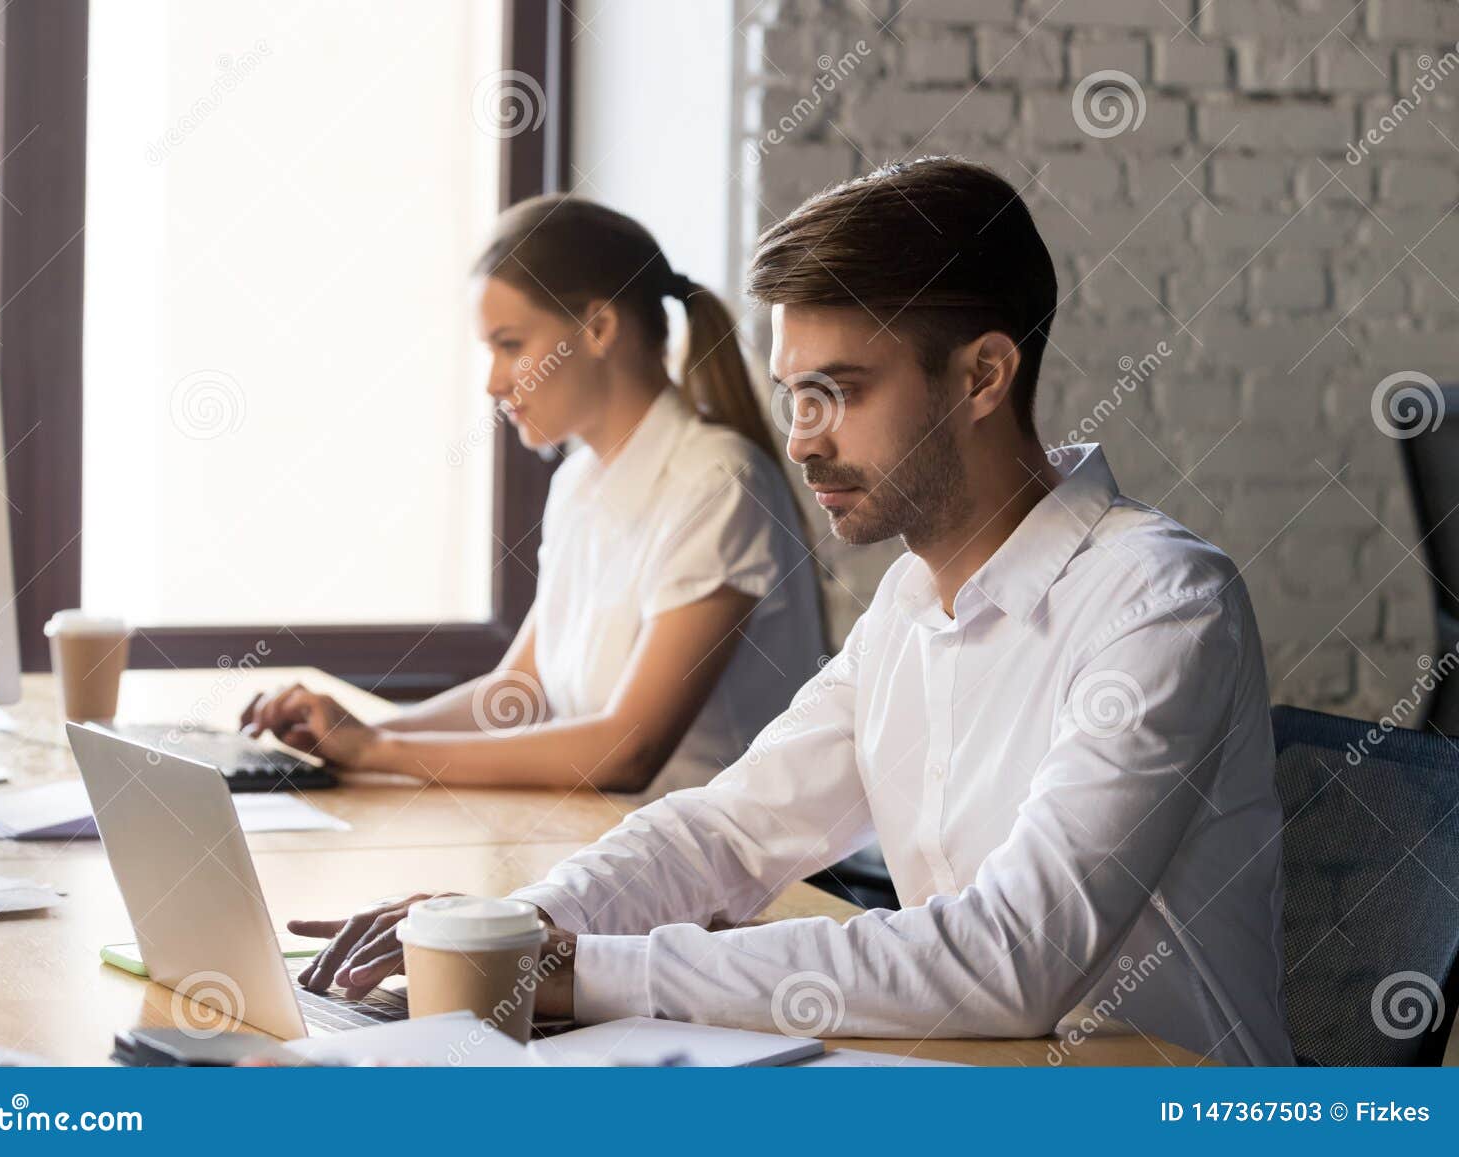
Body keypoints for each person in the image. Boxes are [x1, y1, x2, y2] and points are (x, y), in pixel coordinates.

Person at [288, 157, 1292, 1066]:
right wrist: (513, 927)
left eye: (838, 392)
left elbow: (1009, 958)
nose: (802, 440)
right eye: (792, 394)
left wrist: (581, 969)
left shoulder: (1160, 604)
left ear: (983, 374)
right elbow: (725, 831)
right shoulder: (908, 602)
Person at [243, 195, 824, 802]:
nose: (493, 381)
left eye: (510, 344)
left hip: (731, 883)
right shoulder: (578, 482)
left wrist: (380, 753)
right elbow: (520, 692)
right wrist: (356, 736)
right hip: (615, 852)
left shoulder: (716, 482)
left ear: (597, 329)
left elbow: (628, 751)